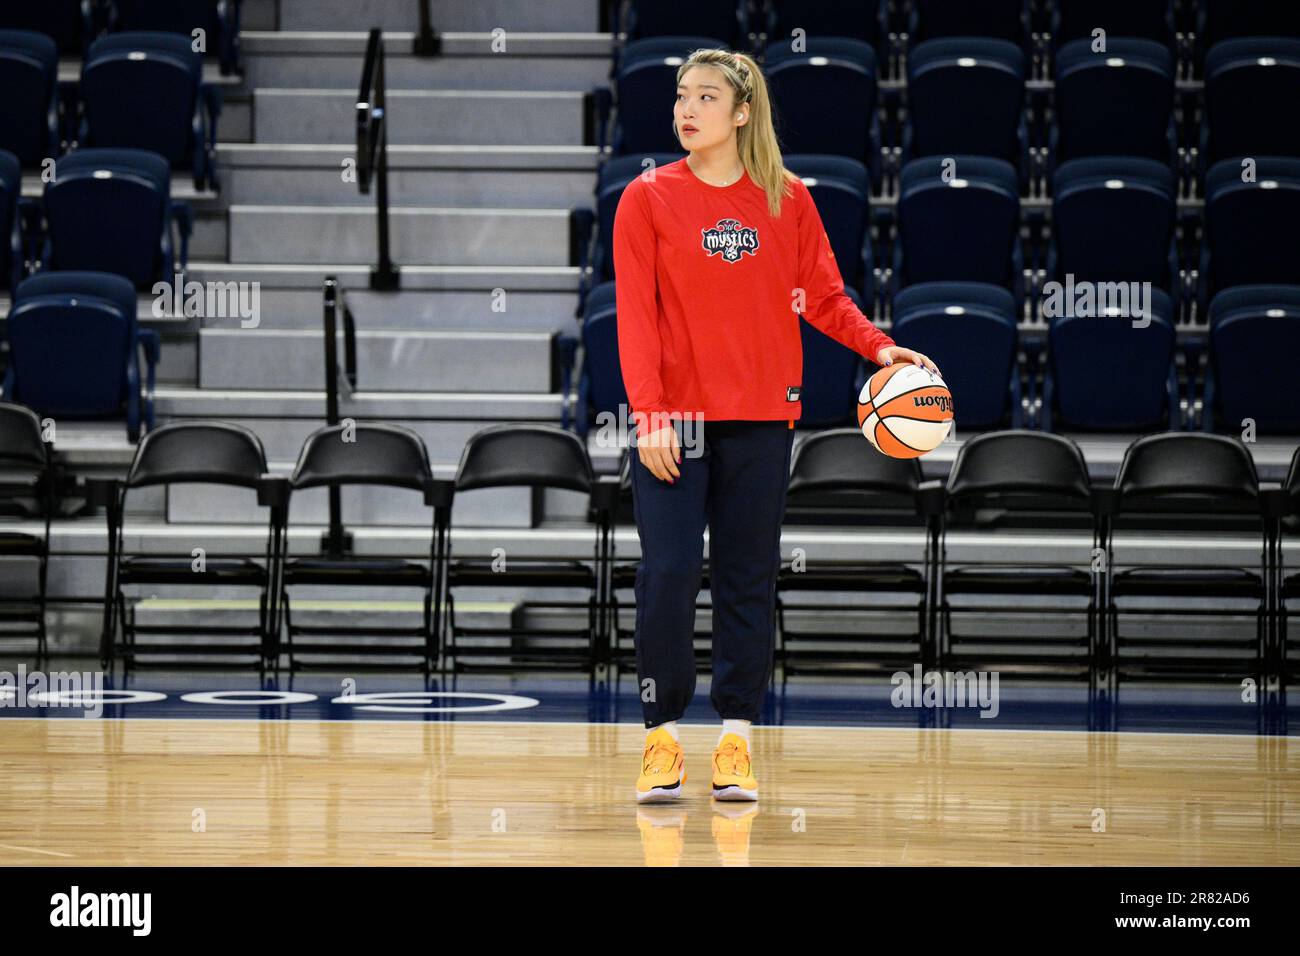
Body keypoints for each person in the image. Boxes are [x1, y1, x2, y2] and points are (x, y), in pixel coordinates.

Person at [613, 48, 939, 803]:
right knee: (665, 575)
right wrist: (652, 414)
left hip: (762, 416)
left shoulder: (787, 198)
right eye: (679, 96)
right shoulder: (648, 198)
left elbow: (825, 296)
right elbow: (636, 318)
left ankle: (736, 739)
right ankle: (661, 739)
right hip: (679, 423)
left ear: (741, 113)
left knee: (745, 580)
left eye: (704, 97)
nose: (685, 109)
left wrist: (880, 347)